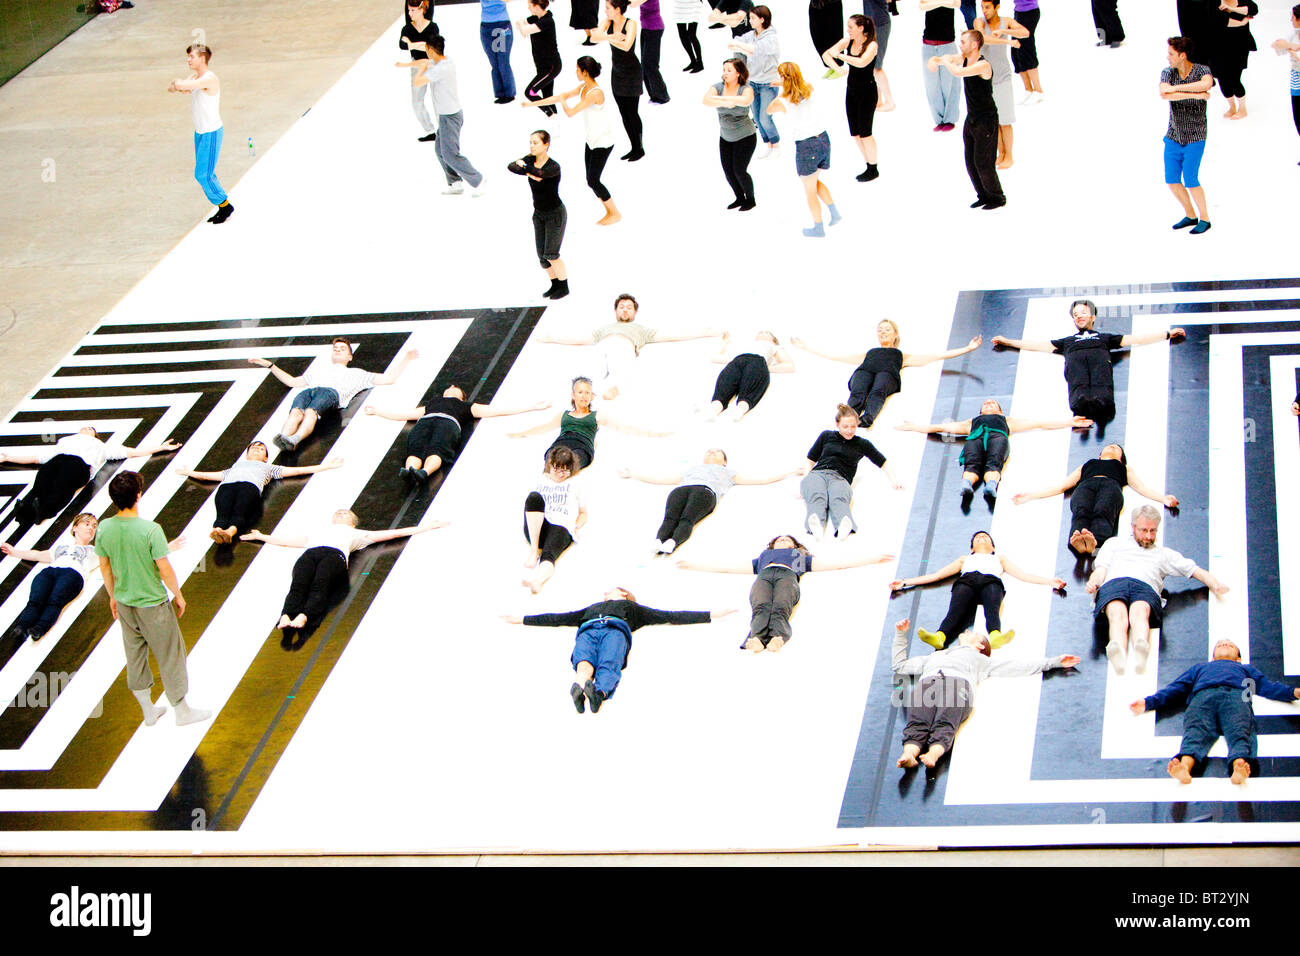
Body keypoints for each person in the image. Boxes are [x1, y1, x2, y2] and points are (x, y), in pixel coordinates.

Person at [95, 472, 210, 727]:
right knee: (170, 653)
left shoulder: (103, 527)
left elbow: (104, 566)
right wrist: (177, 594)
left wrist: (113, 597)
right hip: (153, 604)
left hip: (125, 603)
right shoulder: (150, 530)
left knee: (134, 654)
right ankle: (182, 711)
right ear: (138, 495)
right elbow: (164, 568)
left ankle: (148, 711)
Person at [501, 588, 732, 712]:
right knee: (584, 660)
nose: (605, 594)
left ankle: (597, 693)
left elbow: (669, 615)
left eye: (611, 591)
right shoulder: (592, 607)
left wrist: (710, 614)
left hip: (615, 629)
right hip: (588, 630)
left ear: (623, 594)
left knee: (608, 662)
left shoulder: (631, 607)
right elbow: (559, 617)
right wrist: (522, 619)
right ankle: (581, 686)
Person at [892, 617, 1079, 768]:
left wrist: (1053, 662)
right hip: (929, 683)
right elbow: (899, 666)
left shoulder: (980, 660)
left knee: (946, 722)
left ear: (980, 646)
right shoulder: (935, 656)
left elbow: (1018, 666)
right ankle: (909, 754)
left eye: (973, 633)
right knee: (917, 721)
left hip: (958, 684)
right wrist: (901, 635)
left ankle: (933, 754)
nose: (967, 631)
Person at [678, 534, 892, 652]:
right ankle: (756, 638)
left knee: (781, 606)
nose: (782, 540)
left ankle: (778, 637)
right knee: (760, 605)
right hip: (764, 575)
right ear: (771, 545)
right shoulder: (763, 557)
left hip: (788, 576)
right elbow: (729, 567)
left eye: (787, 540)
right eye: (778, 539)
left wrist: (871, 558)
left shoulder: (798, 557)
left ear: (795, 545)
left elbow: (837, 564)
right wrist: (695, 565)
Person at [241, 510, 447, 631]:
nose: (341, 513)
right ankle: (286, 615)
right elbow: (285, 542)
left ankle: (304, 615)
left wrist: (426, 527)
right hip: (310, 554)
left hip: (334, 557)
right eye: (338, 513)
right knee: (298, 584)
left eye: (346, 513)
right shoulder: (317, 532)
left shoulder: (357, 533)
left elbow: (393, 534)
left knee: (319, 585)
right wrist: (261, 536)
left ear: (352, 521)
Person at [991, 298, 1186, 424]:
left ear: (1093, 316)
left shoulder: (1105, 338)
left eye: (1083, 313)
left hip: (1100, 373)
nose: (1079, 317)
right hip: (1078, 378)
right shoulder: (1067, 341)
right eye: (1075, 315)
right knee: (1077, 380)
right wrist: (1007, 341)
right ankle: (1082, 403)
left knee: (1101, 378)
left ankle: (1102, 403)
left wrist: (1167, 334)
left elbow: (1136, 339)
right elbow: (1034, 344)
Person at [1131, 639, 1298, 785]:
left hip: (1236, 697)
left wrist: (1292, 692)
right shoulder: (1199, 668)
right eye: (1220, 645)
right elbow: (1176, 688)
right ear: (1212, 657)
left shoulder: (1246, 669)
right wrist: (1149, 702)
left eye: (1230, 645)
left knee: (1240, 731)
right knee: (1195, 732)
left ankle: (1238, 767)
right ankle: (1185, 767)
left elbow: (1267, 687)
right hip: (1202, 698)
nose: (1224, 643)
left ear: (1238, 658)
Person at [1087, 505, 1229, 673]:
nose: (1148, 536)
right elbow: (1101, 569)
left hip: (1145, 586)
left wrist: (1215, 584)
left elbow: (1194, 570)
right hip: (1115, 583)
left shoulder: (1163, 554)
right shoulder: (1114, 544)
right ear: (1133, 527)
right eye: (1144, 530)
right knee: (1117, 613)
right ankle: (1117, 647)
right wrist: (1093, 582)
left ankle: (1141, 645)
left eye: (1152, 531)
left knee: (1140, 612)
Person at [1, 513, 179, 644]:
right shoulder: (61, 547)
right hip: (50, 571)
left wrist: (165, 549)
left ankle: (39, 628)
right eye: (87, 523)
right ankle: (21, 628)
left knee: (55, 601)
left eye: (94, 526)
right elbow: (39, 554)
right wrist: (15, 551)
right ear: (75, 527)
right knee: (35, 600)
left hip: (73, 575)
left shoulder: (95, 551)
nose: (91, 527)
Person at [895, 398, 1091, 508]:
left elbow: (1039, 423)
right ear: (981, 411)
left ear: (999, 409)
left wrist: (1070, 422)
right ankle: (967, 483)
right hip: (976, 438)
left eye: (993, 404)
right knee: (972, 462)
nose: (988, 405)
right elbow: (940, 427)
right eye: (985, 404)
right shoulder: (971, 422)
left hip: (998, 437)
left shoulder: (1007, 420)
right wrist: (914, 426)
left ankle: (990, 484)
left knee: (993, 463)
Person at [889, 530, 1065, 651]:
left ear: (993, 547)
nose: (982, 538)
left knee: (992, 609)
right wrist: (905, 582)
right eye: (978, 537)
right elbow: (937, 575)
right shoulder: (964, 559)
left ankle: (995, 635)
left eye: (985, 537)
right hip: (967, 580)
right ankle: (940, 636)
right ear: (971, 548)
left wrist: (1050, 581)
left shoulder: (1000, 559)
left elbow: (1023, 574)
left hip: (991, 581)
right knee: (955, 611)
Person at [792, 319, 982, 427]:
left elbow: (934, 356)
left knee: (879, 387)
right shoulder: (869, 353)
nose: (883, 332)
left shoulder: (901, 355)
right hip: (866, 371)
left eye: (887, 329)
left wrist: (967, 348)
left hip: (887, 375)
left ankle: (866, 418)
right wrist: (806, 347)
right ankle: (849, 414)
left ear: (895, 334)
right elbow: (836, 355)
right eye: (880, 330)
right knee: (859, 386)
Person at [538, 292, 722, 400]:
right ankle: (588, 392)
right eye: (621, 307)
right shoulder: (604, 329)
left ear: (634, 312)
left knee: (624, 369)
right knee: (592, 368)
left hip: (624, 346)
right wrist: (550, 338)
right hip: (603, 345)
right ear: (616, 310)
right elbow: (579, 338)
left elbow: (672, 335)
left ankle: (614, 388)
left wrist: (706, 332)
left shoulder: (641, 330)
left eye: (629, 307)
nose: (625, 309)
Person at [1012, 443, 1180, 559]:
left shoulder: (1123, 468)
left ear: (1121, 458)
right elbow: (1063, 485)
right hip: (1086, 485)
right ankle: (1079, 542)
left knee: (1103, 510)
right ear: (1100, 454)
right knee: (1081, 511)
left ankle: (1096, 543)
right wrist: (1031, 495)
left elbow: (1142, 488)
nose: (1112, 446)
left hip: (1110, 485)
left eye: (1117, 448)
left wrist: (1164, 498)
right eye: (1109, 446)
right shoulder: (1088, 464)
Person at [249, 338, 419, 451]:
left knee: (310, 413)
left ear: (350, 356)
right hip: (310, 390)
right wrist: (270, 365)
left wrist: (407, 358)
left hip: (331, 393)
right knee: (295, 412)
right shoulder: (318, 372)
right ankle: (284, 438)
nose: (337, 350)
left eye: (342, 349)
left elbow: (389, 378)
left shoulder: (358, 374)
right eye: (335, 348)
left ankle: (296, 438)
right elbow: (292, 382)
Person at [620, 448, 799, 553]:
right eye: (709, 452)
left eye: (717, 452)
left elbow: (760, 478)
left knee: (687, 518)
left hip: (705, 491)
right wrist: (633, 474)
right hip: (682, 489)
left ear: (724, 462)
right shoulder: (690, 470)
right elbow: (662, 478)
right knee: (670, 517)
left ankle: (673, 542)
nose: (712, 453)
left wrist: (789, 472)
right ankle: (659, 540)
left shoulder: (728, 473)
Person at [365, 385, 550, 483]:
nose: (452, 385)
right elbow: (405, 414)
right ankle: (410, 470)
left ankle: (424, 471)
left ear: (462, 396)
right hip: (426, 422)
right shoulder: (432, 404)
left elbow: (496, 410)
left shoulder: (466, 407)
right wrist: (378, 411)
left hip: (448, 424)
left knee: (437, 449)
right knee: (416, 447)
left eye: (456, 388)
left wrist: (531, 407)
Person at [1, 428, 181, 526]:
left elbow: (132, 452)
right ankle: (25, 509)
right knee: (42, 480)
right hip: (59, 460)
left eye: (91, 429)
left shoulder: (101, 446)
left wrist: (160, 447)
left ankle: (43, 511)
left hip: (79, 465)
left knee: (62, 488)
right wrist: (8, 458)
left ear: (95, 436)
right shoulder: (64, 442)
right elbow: (36, 459)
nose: (87, 428)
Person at [175, 441, 344, 544]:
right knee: (222, 511)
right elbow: (208, 476)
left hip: (250, 488)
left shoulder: (268, 468)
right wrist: (190, 472)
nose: (256, 449)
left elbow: (298, 471)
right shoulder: (235, 467)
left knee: (239, 512)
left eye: (261, 449)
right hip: (227, 486)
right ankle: (218, 530)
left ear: (265, 458)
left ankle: (229, 532)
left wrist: (327, 466)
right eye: (253, 448)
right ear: (247, 454)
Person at [523, 57, 623, 224]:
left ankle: (614, 213)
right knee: (591, 180)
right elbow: (559, 97)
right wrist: (531, 104)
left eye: (577, 69)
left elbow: (570, 112)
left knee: (593, 180)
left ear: (585, 72)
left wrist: (563, 102)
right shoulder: (584, 87)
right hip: (592, 140)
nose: (575, 72)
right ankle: (609, 210)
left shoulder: (595, 93)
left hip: (603, 142)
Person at [507, 376, 669, 468]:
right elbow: (543, 427)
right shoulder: (564, 415)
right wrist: (521, 434)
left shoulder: (597, 416)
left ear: (592, 396)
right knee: (551, 460)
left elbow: (625, 428)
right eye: (580, 392)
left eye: (587, 393)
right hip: (561, 444)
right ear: (573, 395)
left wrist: (654, 434)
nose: (584, 396)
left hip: (582, 447)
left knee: (571, 462)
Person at [800, 404, 904, 540]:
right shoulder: (826, 436)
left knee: (839, 498)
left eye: (853, 426)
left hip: (840, 478)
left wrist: (894, 481)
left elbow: (883, 462)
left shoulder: (862, 444)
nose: (849, 431)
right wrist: (805, 481)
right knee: (817, 496)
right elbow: (810, 459)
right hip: (818, 474)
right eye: (845, 427)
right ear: (837, 425)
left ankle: (844, 524)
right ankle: (816, 525)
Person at [931, 29, 1004, 210]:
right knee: (970, 162)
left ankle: (997, 197)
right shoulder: (963, 58)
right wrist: (935, 60)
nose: (960, 45)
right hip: (971, 118)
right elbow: (944, 60)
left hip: (986, 120)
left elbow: (957, 72)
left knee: (983, 162)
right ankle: (983, 195)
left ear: (974, 45)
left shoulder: (983, 65)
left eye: (963, 42)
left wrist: (946, 61)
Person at [767, 61, 840, 237]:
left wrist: (779, 87)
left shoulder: (781, 101)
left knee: (809, 190)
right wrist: (785, 82)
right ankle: (834, 212)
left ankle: (818, 227)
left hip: (806, 146)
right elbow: (798, 85)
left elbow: (769, 110)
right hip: (823, 139)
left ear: (783, 78)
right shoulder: (809, 87)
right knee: (813, 181)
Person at [167, 44, 233, 223]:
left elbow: (181, 85)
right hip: (201, 133)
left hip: (211, 133)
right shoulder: (195, 78)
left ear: (202, 58)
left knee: (203, 174)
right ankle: (222, 204)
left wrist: (177, 83)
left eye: (192, 57)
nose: (188, 60)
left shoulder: (209, 79)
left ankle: (225, 205)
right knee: (205, 173)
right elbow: (181, 88)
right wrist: (178, 85)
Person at [418, 35, 487, 196]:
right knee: (439, 149)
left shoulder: (440, 69)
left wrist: (421, 68)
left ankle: (478, 180)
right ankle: (455, 182)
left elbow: (417, 82)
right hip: (445, 116)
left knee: (450, 154)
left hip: (450, 116)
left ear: (430, 50)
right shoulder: (445, 61)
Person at [1160, 36, 1215, 233]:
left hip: (1195, 135)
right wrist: (1197, 95)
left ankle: (1205, 219)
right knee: (1172, 180)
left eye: (1171, 54)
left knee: (1191, 179)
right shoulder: (1167, 73)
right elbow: (1164, 92)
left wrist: (1178, 91)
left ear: (1182, 56)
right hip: (1174, 135)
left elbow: (1206, 84)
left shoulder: (1202, 70)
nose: (1168, 57)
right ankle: (1190, 215)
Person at [507, 129, 570, 299]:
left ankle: (564, 286)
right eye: (530, 143)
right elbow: (512, 166)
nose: (532, 146)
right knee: (542, 256)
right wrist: (529, 171)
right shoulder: (531, 160)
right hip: (539, 214)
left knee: (552, 254)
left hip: (555, 214)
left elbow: (541, 174)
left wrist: (526, 168)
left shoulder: (553, 166)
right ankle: (554, 284)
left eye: (535, 143)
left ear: (546, 144)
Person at [822, 14, 881, 182]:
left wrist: (840, 57)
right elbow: (826, 54)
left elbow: (861, 62)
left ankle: (873, 167)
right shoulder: (847, 41)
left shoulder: (872, 45)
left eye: (851, 27)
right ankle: (868, 162)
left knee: (866, 133)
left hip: (867, 92)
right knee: (855, 132)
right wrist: (838, 69)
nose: (848, 30)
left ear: (861, 28)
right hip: (852, 91)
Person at [524, 446, 587, 592]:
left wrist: (576, 526)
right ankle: (534, 551)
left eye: (565, 470)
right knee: (534, 497)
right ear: (550, 465)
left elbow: (584, 512)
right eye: (556, 469)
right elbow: (531, 506)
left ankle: (537, 581)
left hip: (561, 524)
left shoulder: (575, 483)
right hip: (538, 526)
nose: (560, 474)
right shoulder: (540, 479)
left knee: (549, 555)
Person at [974, 0, 1027, 169]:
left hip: (1002, 77)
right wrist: (1008, 41)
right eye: (982, 7)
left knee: (1005, 119)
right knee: (993, 121)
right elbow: (984, 38)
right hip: (985, 78)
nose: (984, 11)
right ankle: (1000, 153)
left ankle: (1009, 155)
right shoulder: (979, 22)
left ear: (996, 7)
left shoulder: (1006, 21)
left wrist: (1005, 31)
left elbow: (1025, 32)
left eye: (988, 7)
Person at [593, 0, 647, 161]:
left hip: (632, 73)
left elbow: (626, 46)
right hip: (617, 73)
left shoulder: (631, 24)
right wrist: (612, 36)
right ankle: (633, 147)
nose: (605, 11)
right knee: (623, 113)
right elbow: (594, 37)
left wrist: (607, 38)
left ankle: (639, 147)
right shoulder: (607, 23)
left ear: (617, 9)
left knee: (632, 112)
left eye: (608, 8)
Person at [701, 330, 795, 420]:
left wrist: (765, 368)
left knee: (750, 389)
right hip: (737, 361)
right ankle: (715, 407)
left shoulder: (773, 346)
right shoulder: (744, 348)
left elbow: (790, 365)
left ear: (774, 340)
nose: (762, 332)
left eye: (767, 332)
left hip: (757, 361)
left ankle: (741, 409)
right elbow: (715, 357)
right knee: (726, 382)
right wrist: (725, 342)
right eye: (760, 332)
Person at [704, 58, 759, 210]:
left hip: (745, 136)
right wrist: (726, 101)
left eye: (729, 70)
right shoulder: (717, 87)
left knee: (739, 171)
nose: (725, 73)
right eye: (724, 70)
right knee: (728, 172)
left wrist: (722, 100)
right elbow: (706, 100)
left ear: (738, 73)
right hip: (725, 137)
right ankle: (739, 198)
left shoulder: (746, 89)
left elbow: (746, 100)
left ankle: (750, 199)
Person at [730, 6, 781, 157]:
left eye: (753, 18)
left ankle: (776, 145)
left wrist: (740, 45)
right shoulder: (751, 35)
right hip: (753, 83)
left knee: (765, 118)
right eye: (749, 18)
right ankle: (768, 145)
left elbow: (755, 50)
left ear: (762, 20)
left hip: (768, 84)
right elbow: (738, 41)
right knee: (757, 119)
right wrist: (737, 44)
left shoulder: (771, 38)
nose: (750, 21)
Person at [397, 0, 441, 141]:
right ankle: (430, 130)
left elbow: (430, 45)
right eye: (409, 11)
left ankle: (442, 130)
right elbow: (403, 45)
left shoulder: (432, 26)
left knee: (437, 99)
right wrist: (418, 45)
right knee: (417, 100)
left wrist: (413, 45)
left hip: (432, 63)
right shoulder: (408, 28)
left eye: (413, 11)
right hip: (418, 65)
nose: (410, 13)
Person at [920, 0, 962, 131]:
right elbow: (922, 6)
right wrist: (944, 2)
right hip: (928, 44)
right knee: (931, 85)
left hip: (947, 43)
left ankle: (950, 119)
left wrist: (934, 2)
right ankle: (939, 120)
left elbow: (956, 3)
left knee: (950, 84)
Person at [516, 0, 563, 116]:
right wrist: (523, 27)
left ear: (537, 6)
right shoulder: (536, 18)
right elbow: (519, 23)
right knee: (548, 97)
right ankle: (555, 119)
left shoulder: (547, 21)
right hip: (542, 66)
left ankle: (550, 115)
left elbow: (524, 29)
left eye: (530, 6)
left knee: (530, 92)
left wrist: (524, 28)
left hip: (550, 67)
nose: (528, 8)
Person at [1212, 0, 1258, 119]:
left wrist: (1231, 9)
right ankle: (1232, 106)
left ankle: (1242, 108)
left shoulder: (1242, 1)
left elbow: (1253, 9)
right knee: (1222, 78)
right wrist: (1241, 23)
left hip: (1239, 47)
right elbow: (1218, 22)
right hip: (1220, 47)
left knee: (1234, 78)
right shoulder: (1215, 3)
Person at [1270, 5, 1300, 161]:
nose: (1291, 19)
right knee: (1298, 120)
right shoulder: (1294, 35)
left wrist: (1294, 52)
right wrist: (1291, 47)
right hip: (1297, 82)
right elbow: (1276, 45)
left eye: (1293, 16)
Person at [631, 0, 672, 104]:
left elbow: (633, 4)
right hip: (646, 28)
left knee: (650, 65)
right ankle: (654, 95)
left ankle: (663, 96)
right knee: (644, 65)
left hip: (654, 28)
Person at [479, 0, 517, 103]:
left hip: (502, 25)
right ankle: (500, 93)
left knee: (503, 61)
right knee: (494, 63)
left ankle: (509, 93)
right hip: (485, 26)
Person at [863, 0, 896, 109]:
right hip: (871, 24)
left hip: (879, 24)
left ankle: (890, 102)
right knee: (872, 65)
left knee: (876, 67)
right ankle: (878, 100)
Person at [1011, 0, 1042, 103]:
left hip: (1029, 12)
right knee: (1016, 50)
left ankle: (1038, 90)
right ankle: (1028, 90)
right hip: (1019, 12)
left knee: (1026, 49)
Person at [809, 0, 845, 78]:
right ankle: (831, 65)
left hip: (832, 4)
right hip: (815, 4)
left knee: (834, 35)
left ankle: (837, 67)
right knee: (817, 35)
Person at [675, 0, 709, 72]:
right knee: (682, 35)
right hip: (680, 4)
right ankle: (693, 61)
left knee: (692, 34)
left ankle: (700, 62)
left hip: (693, 4)